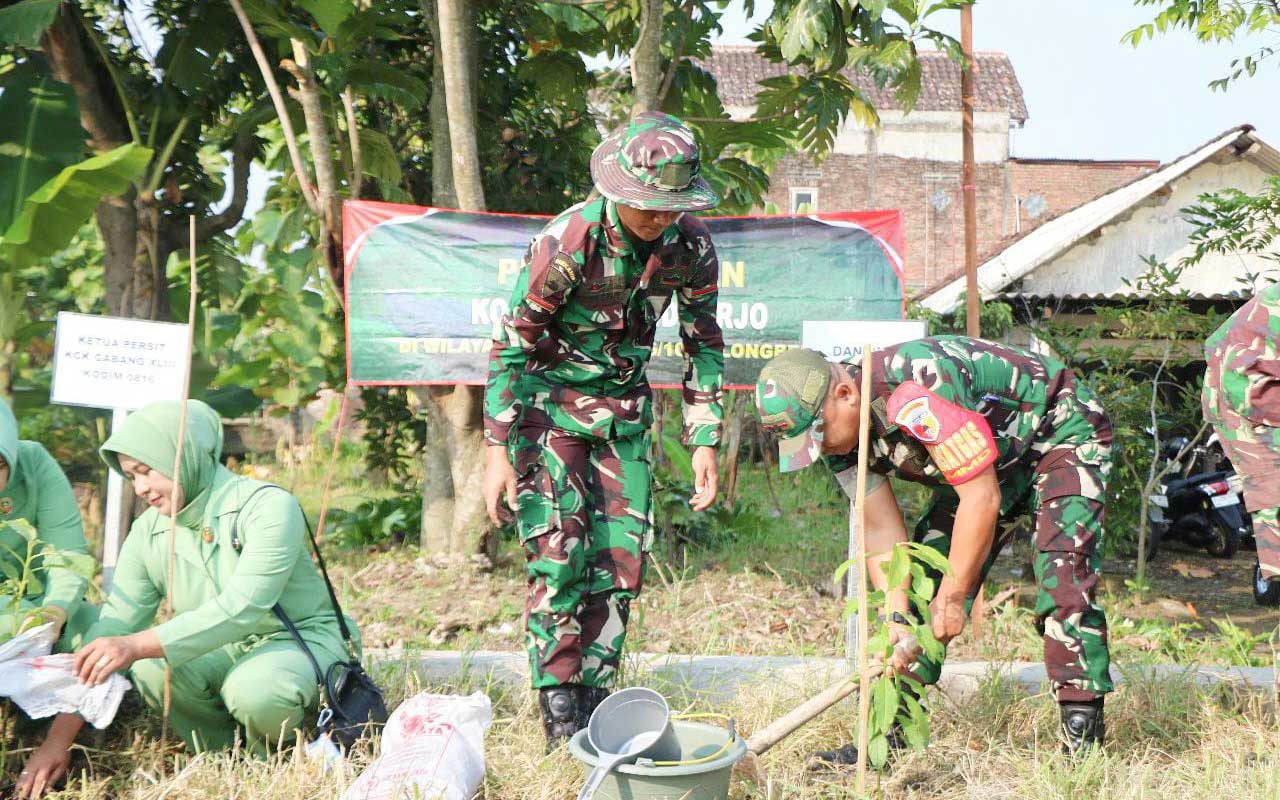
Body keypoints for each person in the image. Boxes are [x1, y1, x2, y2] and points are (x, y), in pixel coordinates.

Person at [482, 111, 725, 748]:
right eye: (650, 208)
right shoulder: (569, 242)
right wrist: (497, 449)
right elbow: (512, 345)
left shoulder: (691, 246)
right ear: (618, 193)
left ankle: (596, 706)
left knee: (620, 562)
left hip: (623, 419)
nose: (661, 220)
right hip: (549, 415)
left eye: (673, 208)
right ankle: (560, 713)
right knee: (560, 557)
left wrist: (703, 438)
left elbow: (704, 344)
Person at [754, 337, 1113, 765]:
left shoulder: (914, 393)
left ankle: (1081, 741)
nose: (821, 448)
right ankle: (892, 737)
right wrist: (896, 615)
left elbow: (981, 499)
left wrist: (956, 594)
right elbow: (881, 528)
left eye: (818, 435)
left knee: (1063, 575)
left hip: (1057, 436)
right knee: (924, 581)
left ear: (845, 393)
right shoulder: (840, 442)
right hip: (980, 470)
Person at [18, 400, 358, 798]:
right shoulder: (148, 532)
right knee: (150, 670)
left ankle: (285, 757)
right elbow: (114, 628)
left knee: (255, 690)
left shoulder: (266, 506)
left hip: (297, 639)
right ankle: (226, 761)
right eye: (131, 476)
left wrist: (135, 644)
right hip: (217, 650)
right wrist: (56, 742)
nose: (141, 489)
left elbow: (243, 607)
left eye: (147, 470)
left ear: (184, 455)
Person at [1203, 283, 1280, 597]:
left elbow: (1212, 342)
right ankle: (1273, 576)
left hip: (1247, 382)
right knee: (1271, 488)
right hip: (1243, 394)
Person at [0, 399, 95, 650]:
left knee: (93, 627)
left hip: (39, 599)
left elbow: (67, 553)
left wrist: (53, 614)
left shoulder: (34, 463)